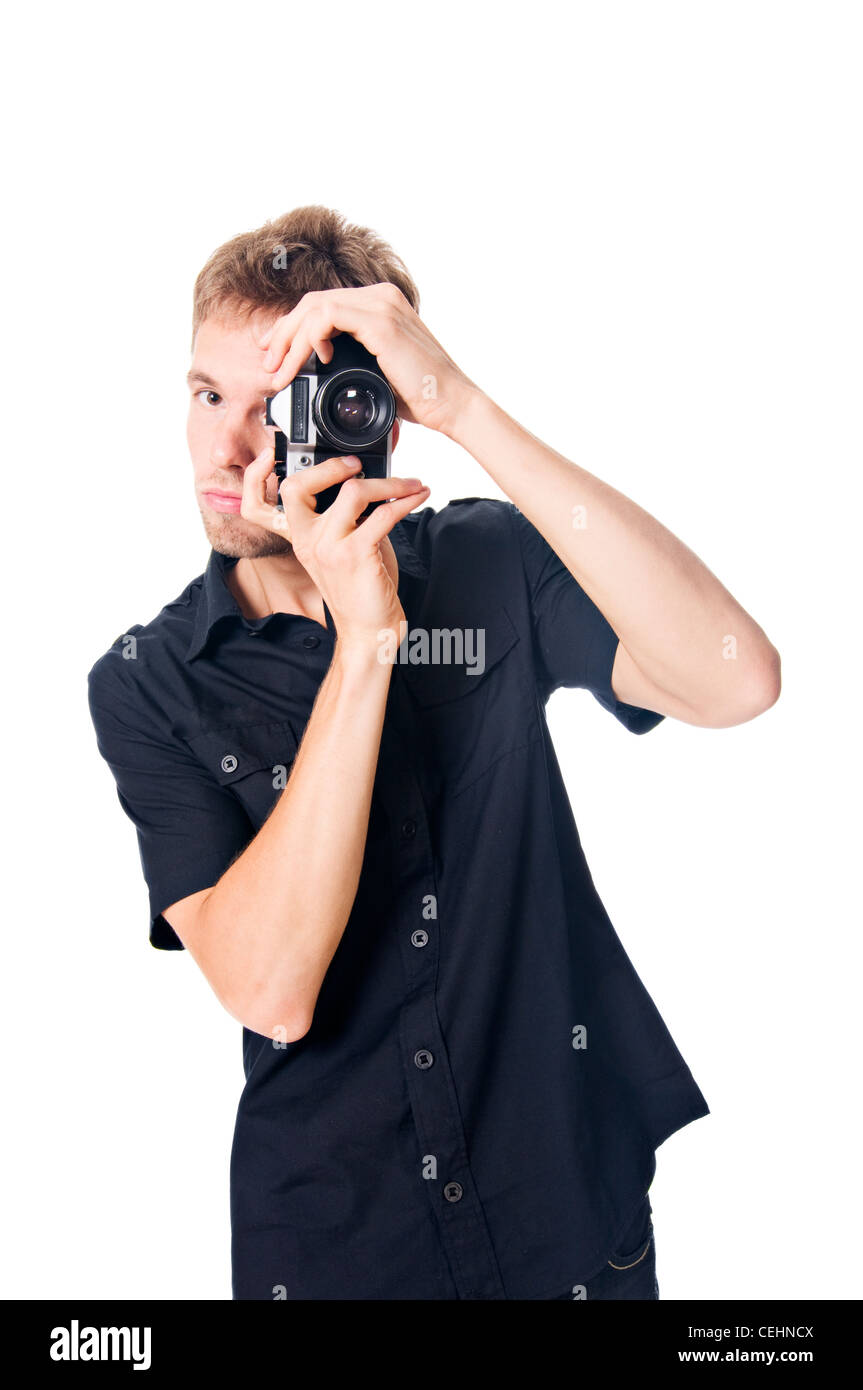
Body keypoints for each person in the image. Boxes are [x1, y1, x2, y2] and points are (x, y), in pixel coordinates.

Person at [87, 205, 780, 1301]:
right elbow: (268, 990)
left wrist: (461, 403)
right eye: (206, 394)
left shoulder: (480, 565)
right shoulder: (147, 681)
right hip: (340, 1249)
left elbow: (735, 675)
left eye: (275, 407)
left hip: (569, 1223)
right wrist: (364, 645)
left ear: (367, 419)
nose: (224, 445)